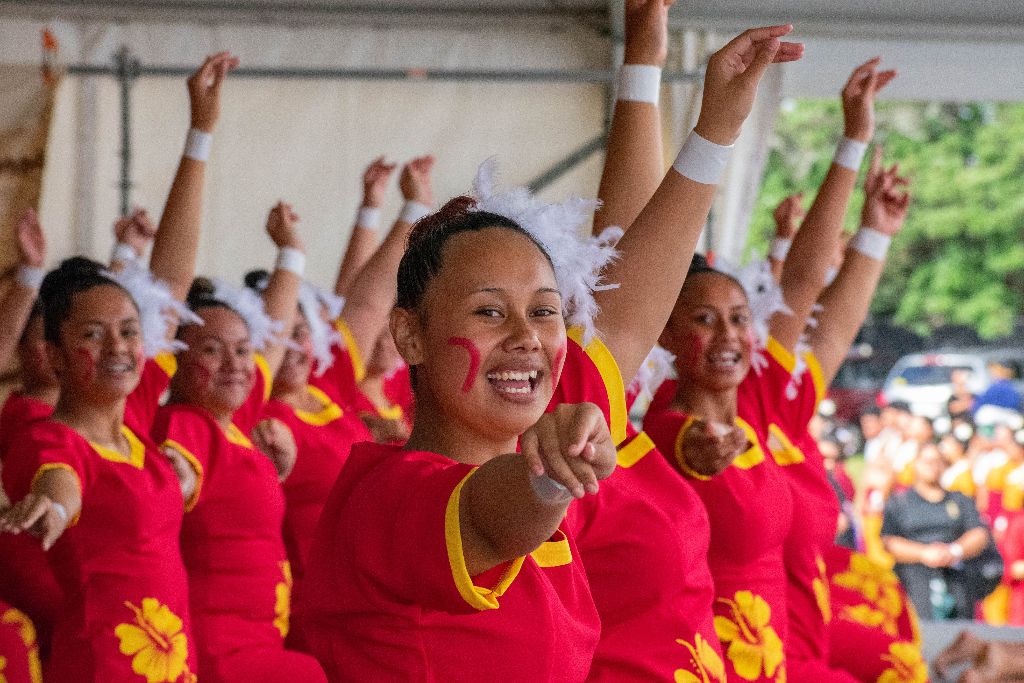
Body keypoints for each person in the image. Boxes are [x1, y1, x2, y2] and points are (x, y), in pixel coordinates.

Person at [302, 23, 800, 682]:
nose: (527, 336)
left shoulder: (554, 422)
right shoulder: (386, 496)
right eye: (488, 311)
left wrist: (716, 131)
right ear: (410, 334)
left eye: (544, 311)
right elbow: (492, 508)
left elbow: (625, 297)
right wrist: (548, 471)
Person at [0, 51, 232, 682]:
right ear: (51, 353)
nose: (121, 348)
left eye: (130, 332)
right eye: (94, 336)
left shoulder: (134, 421)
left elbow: (174, 278)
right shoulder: (48, 437)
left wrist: (200, 131)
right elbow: (60, 486)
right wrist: (49, 507)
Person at [153, 203, 326, 682]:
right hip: (219, 652)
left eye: (241, 349)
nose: (234, 362)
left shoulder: (237, 418)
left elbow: (272, 336)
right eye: (211, 349)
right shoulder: (186, 424)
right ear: (177, 363)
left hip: (261, 641)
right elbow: (175, 481)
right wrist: (175, 478)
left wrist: (291, 253)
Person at [881, 443, 990, 620]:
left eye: (938, 461)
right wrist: (924, 553)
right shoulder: (900, 502)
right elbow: (888, 541)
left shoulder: (959, 500)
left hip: (956, 581)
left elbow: (979, 534)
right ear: (916, 463)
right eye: (927, 461)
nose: (933, 466)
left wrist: (954, 551)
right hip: (914, 582)